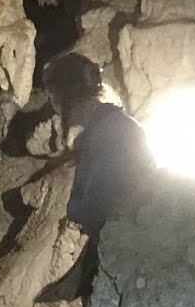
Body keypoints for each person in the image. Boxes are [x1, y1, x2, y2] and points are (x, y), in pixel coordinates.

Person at [41, 52, 155, 238]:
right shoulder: (111, 127)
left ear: (66, 99)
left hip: (126, 243)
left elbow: (99, 208)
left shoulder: (109, 134)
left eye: (55, 101)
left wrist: (77, 211)